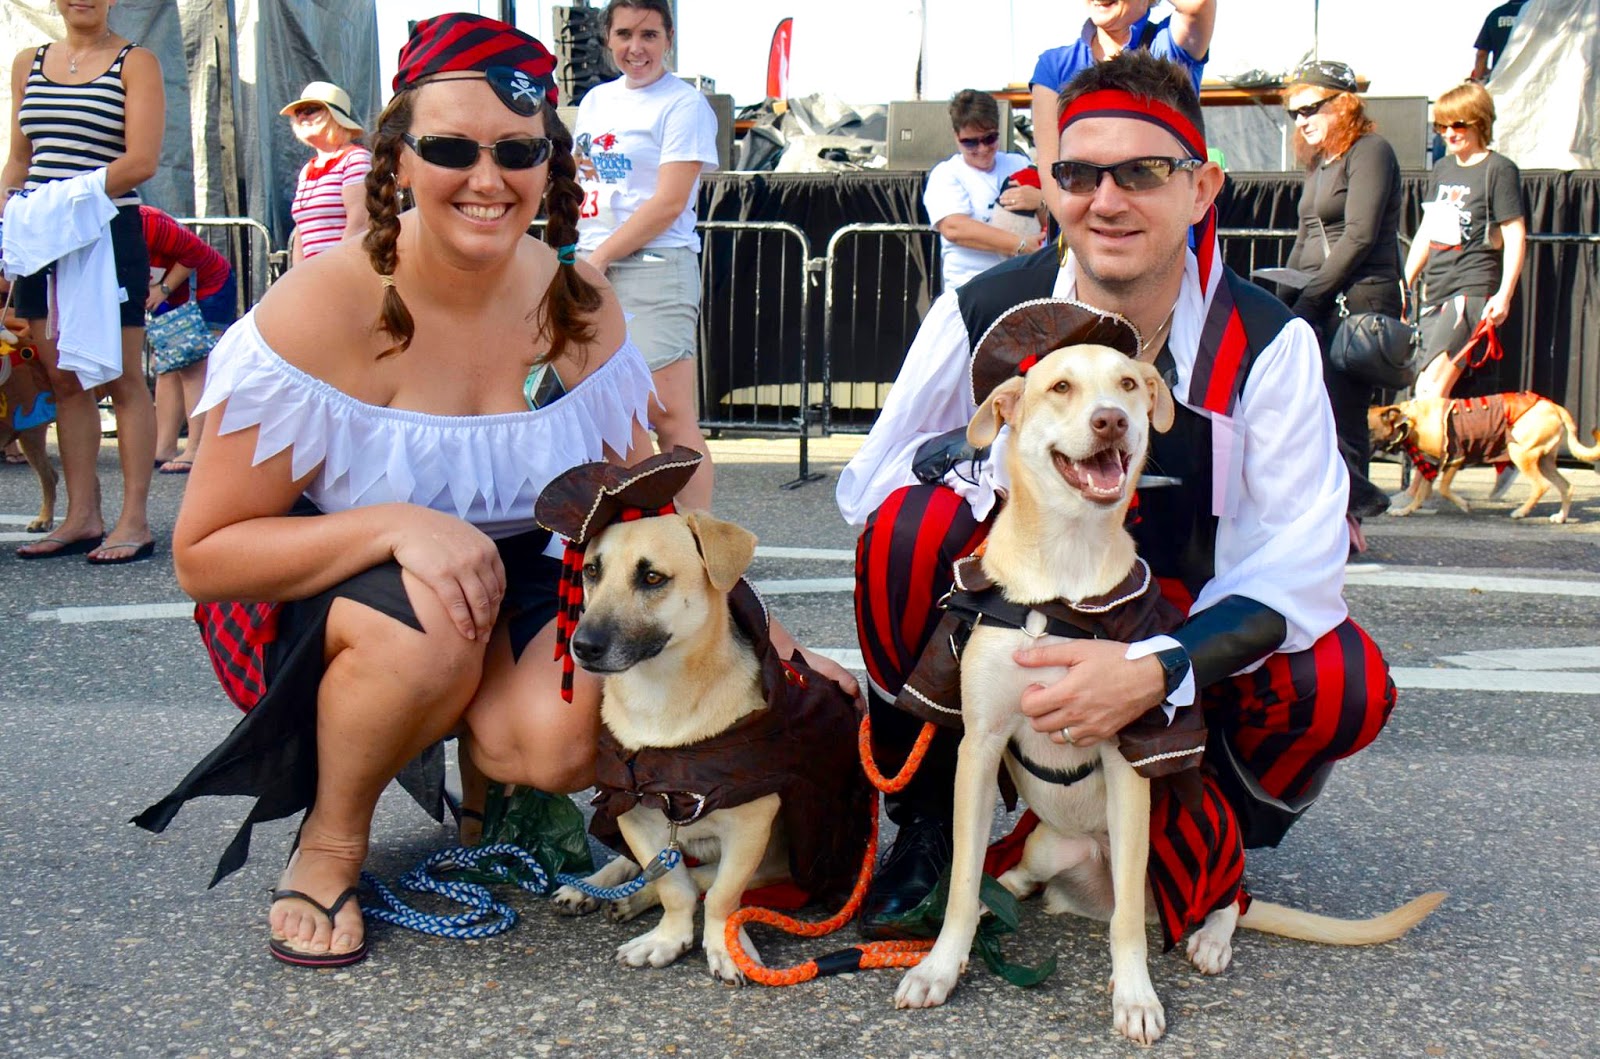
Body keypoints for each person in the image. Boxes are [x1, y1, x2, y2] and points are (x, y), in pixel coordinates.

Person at [132, 16, 660, 969]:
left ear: (553, 164)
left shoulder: (577, 300)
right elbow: (203, 556)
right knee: (432, 623)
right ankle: (333, 839)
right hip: (335, 587)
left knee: (558, 740)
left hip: (524, 578)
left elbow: (635, 500)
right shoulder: (323, 305)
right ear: (399, 160)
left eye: (518, 152)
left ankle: (495, 784)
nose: (488, 179)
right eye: (451, 148)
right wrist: (399, 525)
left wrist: (761, 640)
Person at [837, 51, 1395, 948]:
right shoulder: (982, 313)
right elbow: (873, 484)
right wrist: (1000, 482)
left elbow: (1303, 561)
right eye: (1078, 174)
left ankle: (1196, 837)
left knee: (1341, 680)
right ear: (1051, 187)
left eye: (1142, 172)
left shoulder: (1269, 343)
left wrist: (1151, 666)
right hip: (1017, 621)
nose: (1106, 200)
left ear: (1202, 187)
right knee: (909, 527)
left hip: (1175, 622)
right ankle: (937, 823)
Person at [3, 0, 162, 563]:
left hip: (105, 229)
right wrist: (11, 217)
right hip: (41, 236)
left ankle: (134, 521)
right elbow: (20, 159)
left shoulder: (135, 61)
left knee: (120, 378)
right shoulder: (28, 62)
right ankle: (81, 517)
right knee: (63, 378)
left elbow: (141, 160)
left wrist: (64, 202)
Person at [574, 0, 719, 511]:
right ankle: (644, 531)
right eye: (625, 34)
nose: (637, 48)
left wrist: (599, 257)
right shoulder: (595, 101)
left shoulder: (683, 104)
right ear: (608, 38)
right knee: (613, 413)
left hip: (654, 265)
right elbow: (585, 181)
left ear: (669, 37)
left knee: (669, 415)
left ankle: (697, 541)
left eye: (650, 35)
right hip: (597, 263)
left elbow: (669, 202)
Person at [1280, 60, 1403, 527]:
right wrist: (1280, 304)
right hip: (1317, 296)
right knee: (1311, 412)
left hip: (1356, 300)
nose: (1302, 120)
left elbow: (1359, 236)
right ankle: (1333, 511)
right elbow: (1304, 240)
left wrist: (1308, 302)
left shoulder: (1370, 151)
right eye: (1294, 113)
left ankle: (1351, 516)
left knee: (1343, 414)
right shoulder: (1321, 163)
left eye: (1312, 108)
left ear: (1344, 104)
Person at [1031, 0, 1216, 228]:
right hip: (1085, 239)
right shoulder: (1055, 65)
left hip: (1159, 240)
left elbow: (1199, 4)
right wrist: (1085, 240)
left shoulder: (1169, 46)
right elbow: (1051, 166)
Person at [1405, 81, 1525, 401]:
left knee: (1431, 391)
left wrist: (1504, 294)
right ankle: (1446, 451)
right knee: (1429, 390)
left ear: (1479, 123)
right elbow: (1426, 231)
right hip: (1436, 288)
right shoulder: (1443, 168)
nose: (1448, 132)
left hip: (1471, 287)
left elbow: (1514, 233)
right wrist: (1406, 282)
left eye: (1457, 124)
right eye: (1441, 125)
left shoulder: (1498, 169)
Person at [141, 204, 236, 473]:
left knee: (194, 365)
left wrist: (164, 288)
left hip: (208, 288)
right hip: (172, 295)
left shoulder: (148, 222)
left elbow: (193, 251)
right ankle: (164, 446)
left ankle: (197, 448)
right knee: (168, 366)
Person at [923, 89, 1040, 292]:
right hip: (970, 289)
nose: (982, 149)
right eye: (970, 142)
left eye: (989, 138)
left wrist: (1041, 201)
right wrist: (1020, 244)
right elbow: (954, 228)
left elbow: (1053, 217)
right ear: (956, 136)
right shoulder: (946, 173)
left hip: (1021, 286)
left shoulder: (1020, 163)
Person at [284, 80, 371, 265]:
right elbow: (301, 233)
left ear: (334, 116)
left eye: (311, 110)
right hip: (317, 279)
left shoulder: (355, 159)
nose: (302, 117)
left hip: (346, 273)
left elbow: (359, 223)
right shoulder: (307, 171)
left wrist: (334, 272)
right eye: (298, 112)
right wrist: (299, 276)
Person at [1471, 0, 1529, 82]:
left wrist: (1478, 81)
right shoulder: (1539, 12)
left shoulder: (1495, 15)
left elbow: (1481, 54)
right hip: (1532, 81)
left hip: (1501, 82)